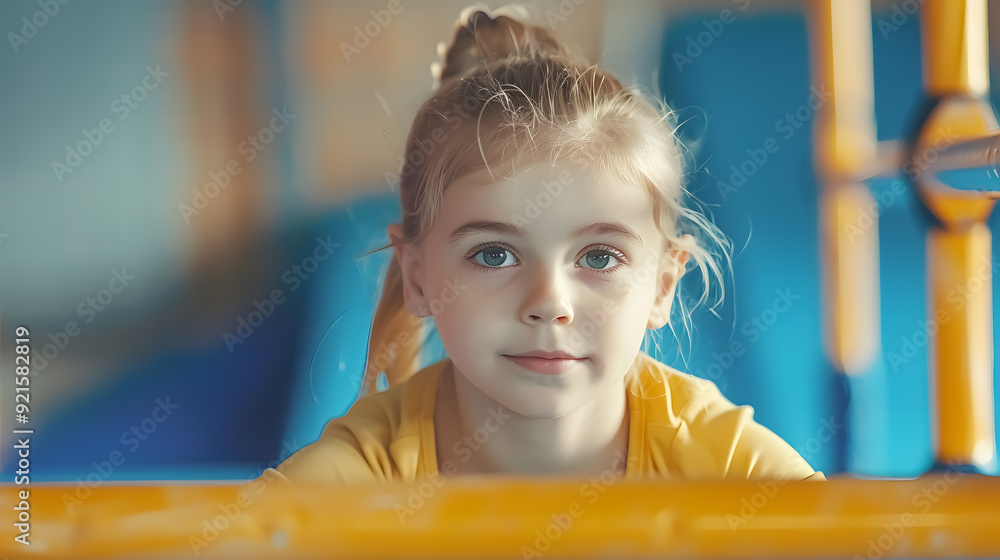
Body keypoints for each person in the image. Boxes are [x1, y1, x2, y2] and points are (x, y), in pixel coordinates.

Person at [258, 4, 825, 485]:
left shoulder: (724, 465)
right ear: (418, 278)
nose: (549, 302)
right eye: (493, 254)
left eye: (599, 257)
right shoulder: (366, 471)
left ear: (663, 285)